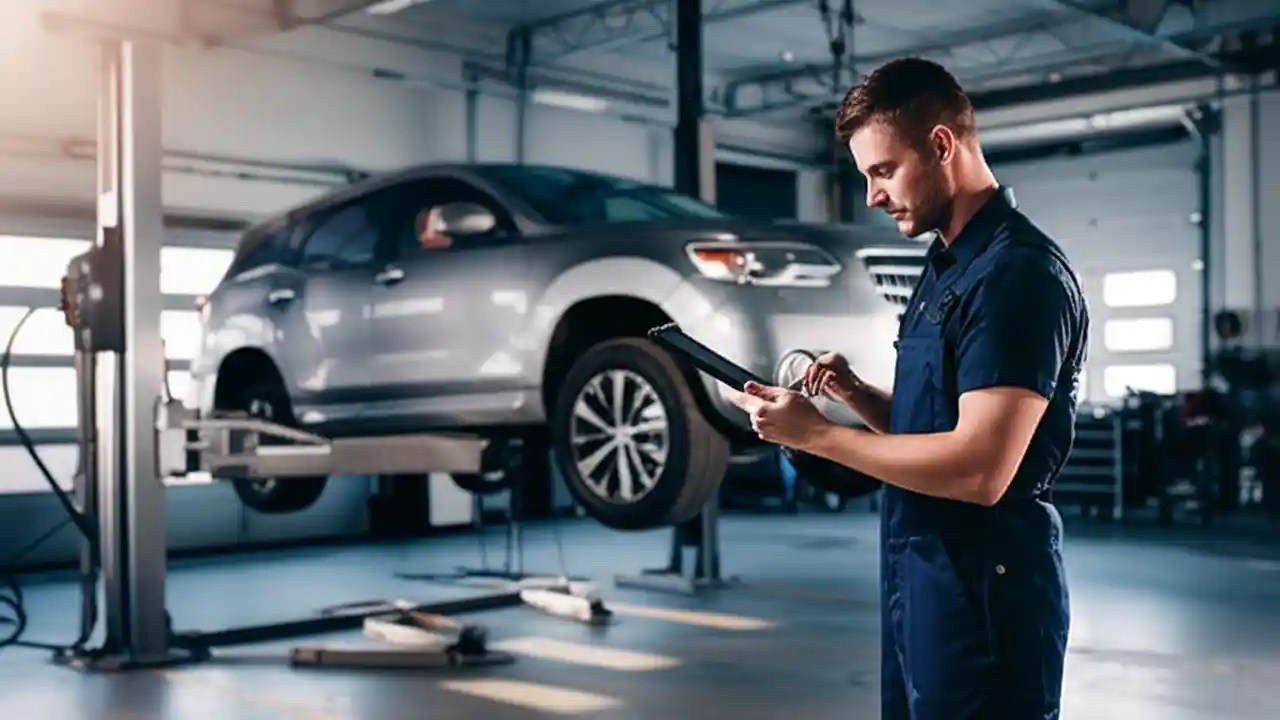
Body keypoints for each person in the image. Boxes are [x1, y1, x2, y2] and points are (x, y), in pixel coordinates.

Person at [737, 57, 1089, 720]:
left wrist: (817, 435)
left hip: (989, 598)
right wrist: (856, 396)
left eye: (882, 170)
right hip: (924, 585)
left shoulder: (1017, 277)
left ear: (941, 145)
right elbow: (938, 424)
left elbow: (981, 467)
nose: (871, 195)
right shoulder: (946, 264)